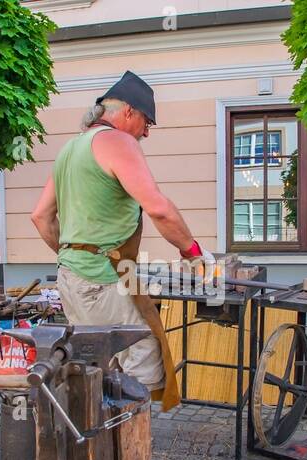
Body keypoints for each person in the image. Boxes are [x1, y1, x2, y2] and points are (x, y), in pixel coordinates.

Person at [30, 70, 214, 405]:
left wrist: (76, 256)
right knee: (143, 356)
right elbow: (159, 208)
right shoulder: (117, 142)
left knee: (97, 365)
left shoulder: (71, 148)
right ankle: (124, 448)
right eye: (147, 122)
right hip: (103, 281)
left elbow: (40, 217)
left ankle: (95, 444)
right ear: (128, 111)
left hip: (70, 279)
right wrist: (194, 253)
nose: (146, 132)